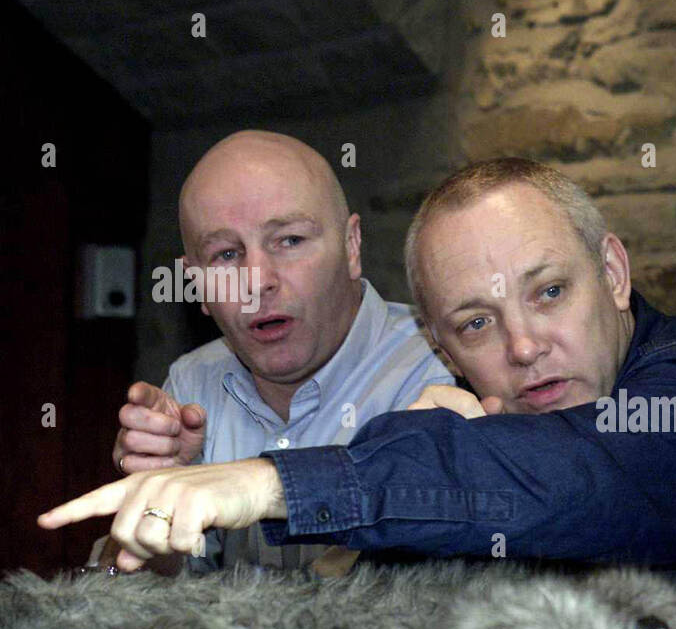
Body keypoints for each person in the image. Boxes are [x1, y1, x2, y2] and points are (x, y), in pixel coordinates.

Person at [44, 158, 676, 602]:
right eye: (476, 323)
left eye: (549, 292)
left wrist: (265, 483)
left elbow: (591, 470)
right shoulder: (465, 421)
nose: (523, 345)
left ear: (612, 273)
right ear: (441, 346)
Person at [104, 130, 454, 571]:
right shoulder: (191, 386)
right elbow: (142, 595)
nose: (257, 280)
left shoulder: (439, 370)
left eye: (289, 240)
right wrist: (157, 511)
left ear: (351, 247)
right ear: (197, 286)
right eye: (227, 254)